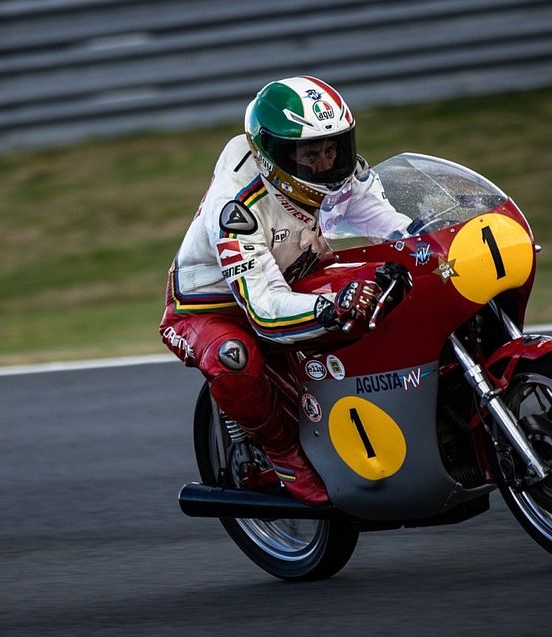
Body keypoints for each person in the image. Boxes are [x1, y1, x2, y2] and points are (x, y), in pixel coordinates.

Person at [159, 76, 394, 506]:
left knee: (383, 285)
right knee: (233, 358)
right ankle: (283, 454)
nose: (326, 165)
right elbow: (265, 309)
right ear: (273, 155)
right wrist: (330, 306)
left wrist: (429, 238)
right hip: (211, 308)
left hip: (290, 276)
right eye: (310, 154)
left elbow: (390, 223)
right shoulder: (237, 207)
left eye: (332, 148)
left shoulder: (340, 174)